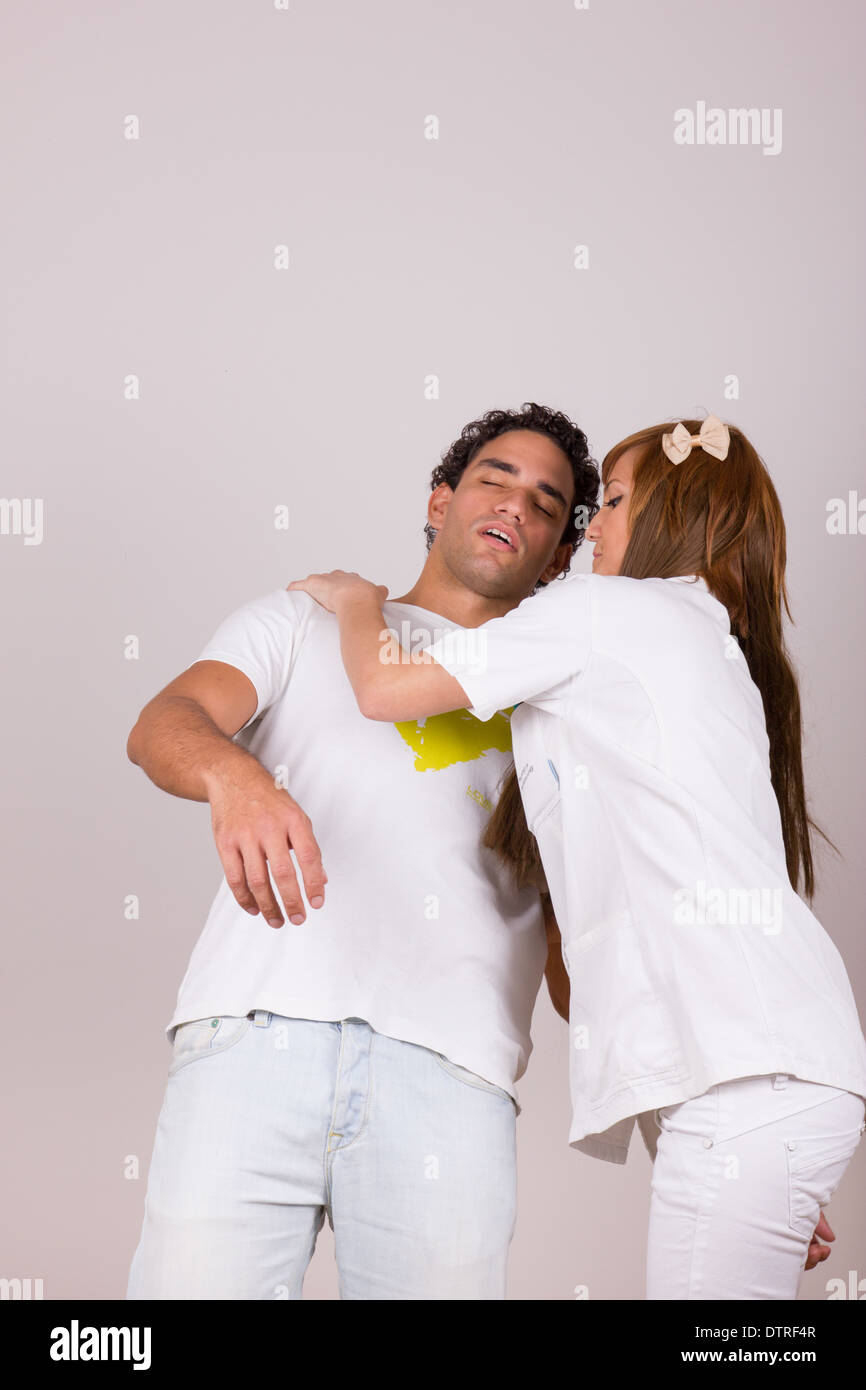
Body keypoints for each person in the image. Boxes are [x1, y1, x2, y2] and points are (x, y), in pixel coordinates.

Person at [289, 413, 866, 1300]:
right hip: (764, 1077)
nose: (593, 523)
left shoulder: (615, 612)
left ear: (678, 511)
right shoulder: (701, 648)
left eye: (619, 501)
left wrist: (358, 597)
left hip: (756, 1082)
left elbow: (386, 687)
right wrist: (772, 1160)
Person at [124, 403, 597, 1300]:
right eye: (495, 477)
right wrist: (239, 780)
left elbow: (585, 969)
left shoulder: (561, 700)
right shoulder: (302, 620)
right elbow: (162, 725)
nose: (517, 506)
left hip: (453, 1074)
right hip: (255, 1033)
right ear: (441, 498)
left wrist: (718, 1131)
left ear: (561, 555)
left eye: (548, 502)